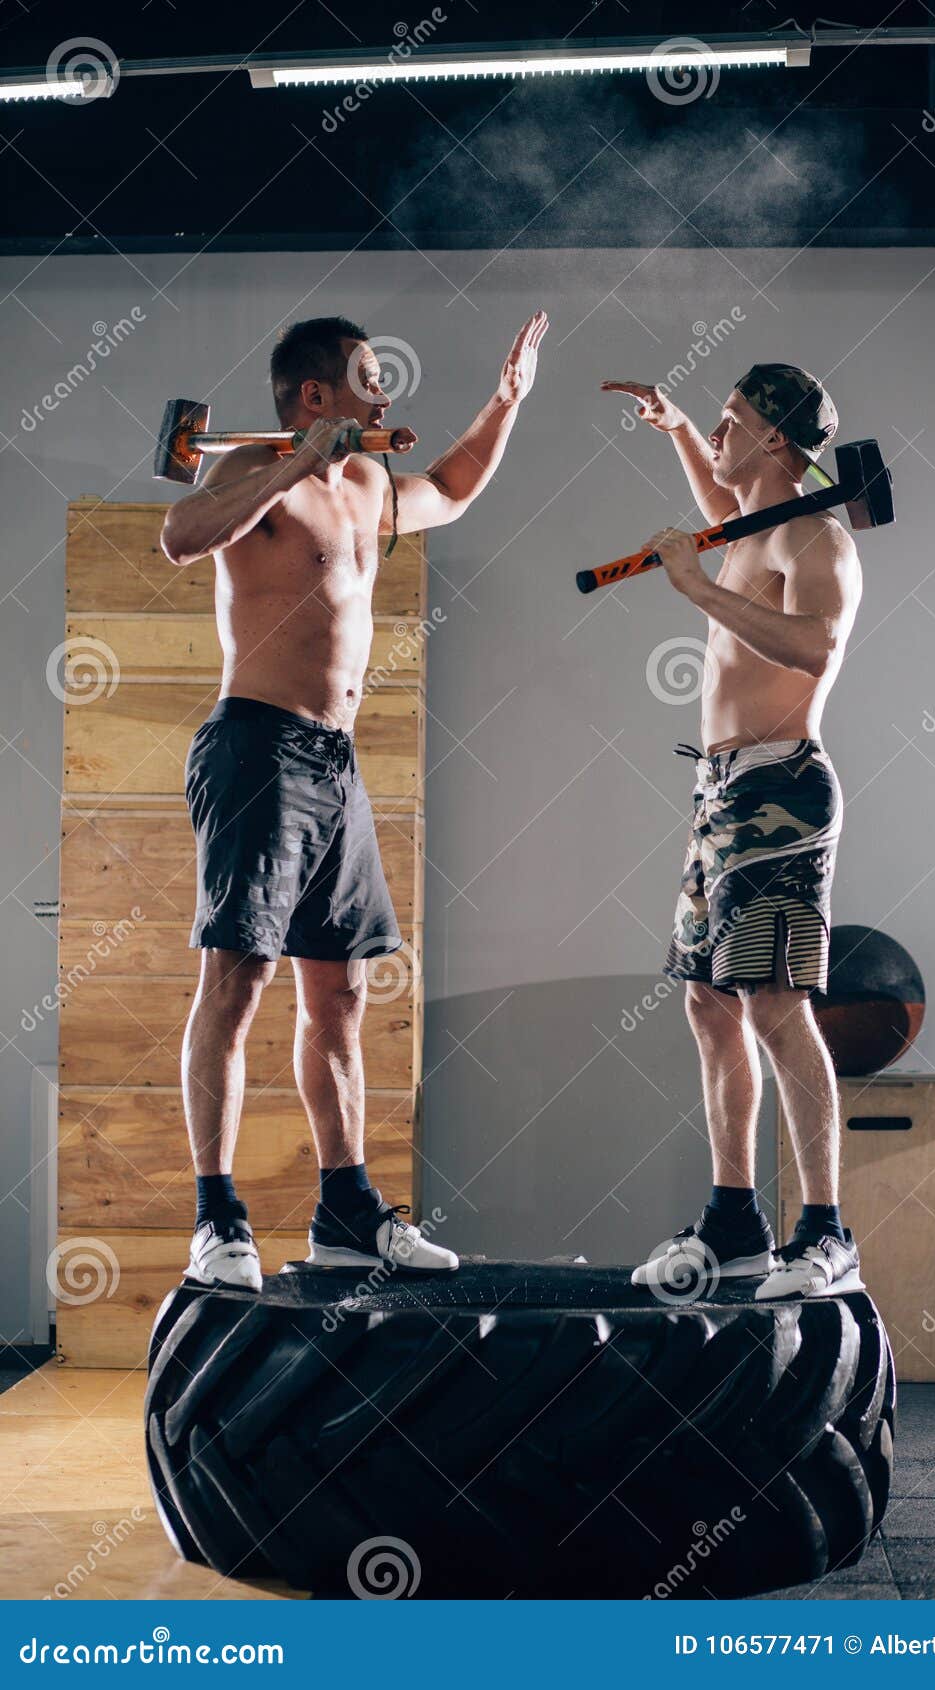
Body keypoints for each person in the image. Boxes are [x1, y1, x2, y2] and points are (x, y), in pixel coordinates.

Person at [161, 309, 548, 1290]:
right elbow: (179, 536)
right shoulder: (247, 483)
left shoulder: (370, 485)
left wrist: (505, 403)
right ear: (315, 396)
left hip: (333, 763)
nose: (386, 395)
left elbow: (453, 490)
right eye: (370, 379)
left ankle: (346, 1212)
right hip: (254, 744)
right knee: (238, 979)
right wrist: (294, 466)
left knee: (339, 990)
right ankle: (218, 1219)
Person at [601, 363, 864, 1299]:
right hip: (719, 796)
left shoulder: (814, 533)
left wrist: (694, 591)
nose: (717, 431)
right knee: (708, 1004)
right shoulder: (753, 523)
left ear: (773, 440)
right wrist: (676, 425)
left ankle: (826, 1235)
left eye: (727, 420)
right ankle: (734, 1224)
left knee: (772, 1005)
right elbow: (719, 495)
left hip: (780, 791)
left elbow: (814, 644)